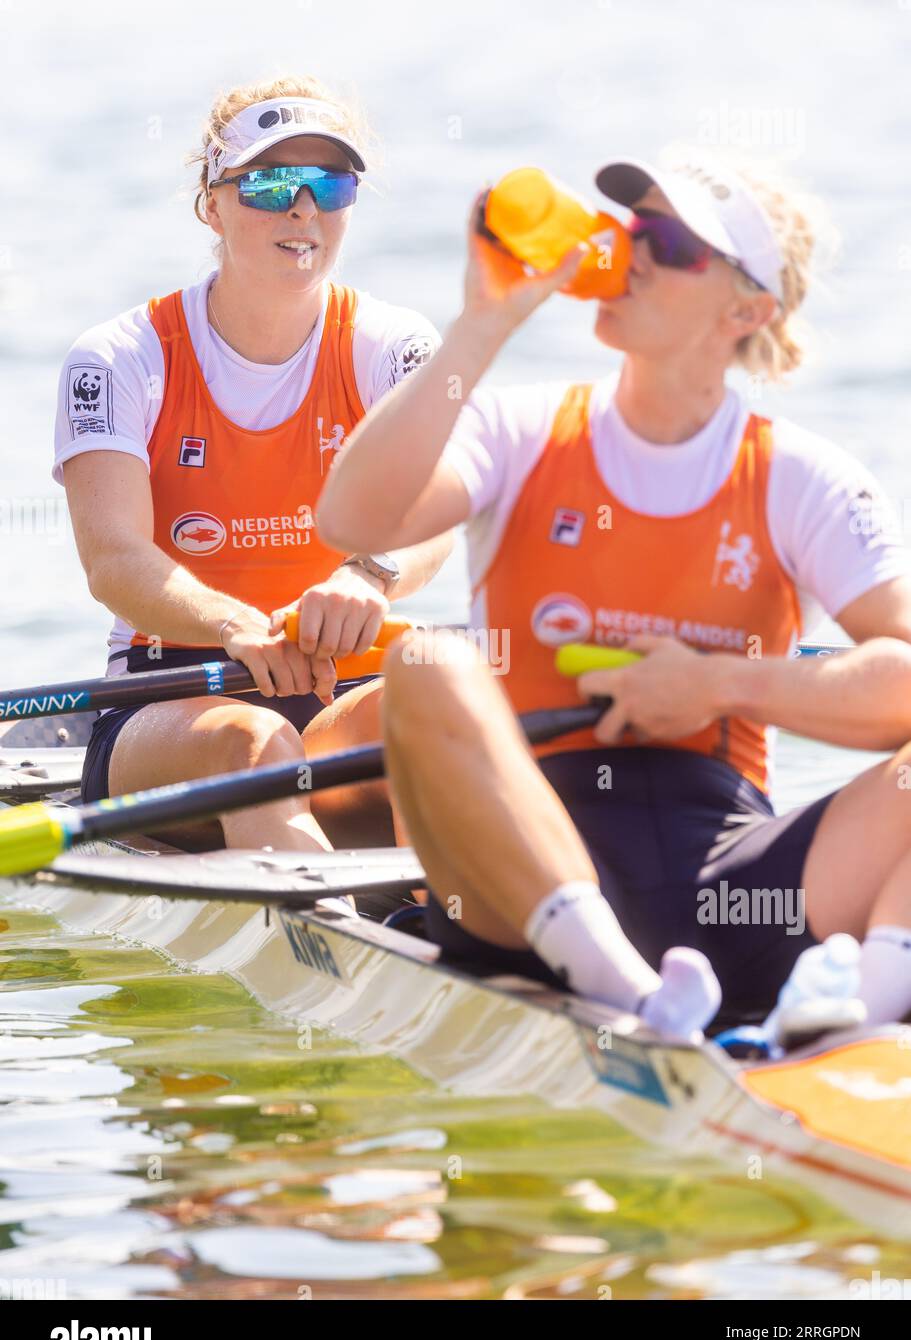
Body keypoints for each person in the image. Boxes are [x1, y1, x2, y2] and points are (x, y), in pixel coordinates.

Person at [316, 147, 911, 1035]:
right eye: (632, 227)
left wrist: (718, 684)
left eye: (669, 243)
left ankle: (857, 1008)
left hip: (731, 885)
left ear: (747, 309)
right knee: (429, 659)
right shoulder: (517, 431)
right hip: (516, 877)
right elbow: (353, 520)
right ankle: (628, 995)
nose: (631, 250)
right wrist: (481, 325)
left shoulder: (799, 477)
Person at [54, 76, 450, 854]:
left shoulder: (393, 345)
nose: (303, 209)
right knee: (258, 743)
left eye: (330, 185)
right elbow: (113, 560)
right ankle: (329, 943)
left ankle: (456, 938)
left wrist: (368, 575)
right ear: (213, 202)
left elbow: (431, 507)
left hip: (342, 686)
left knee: (429, 698)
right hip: (171, 697)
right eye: (271, 184)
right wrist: (237, 627)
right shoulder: (120, 357)